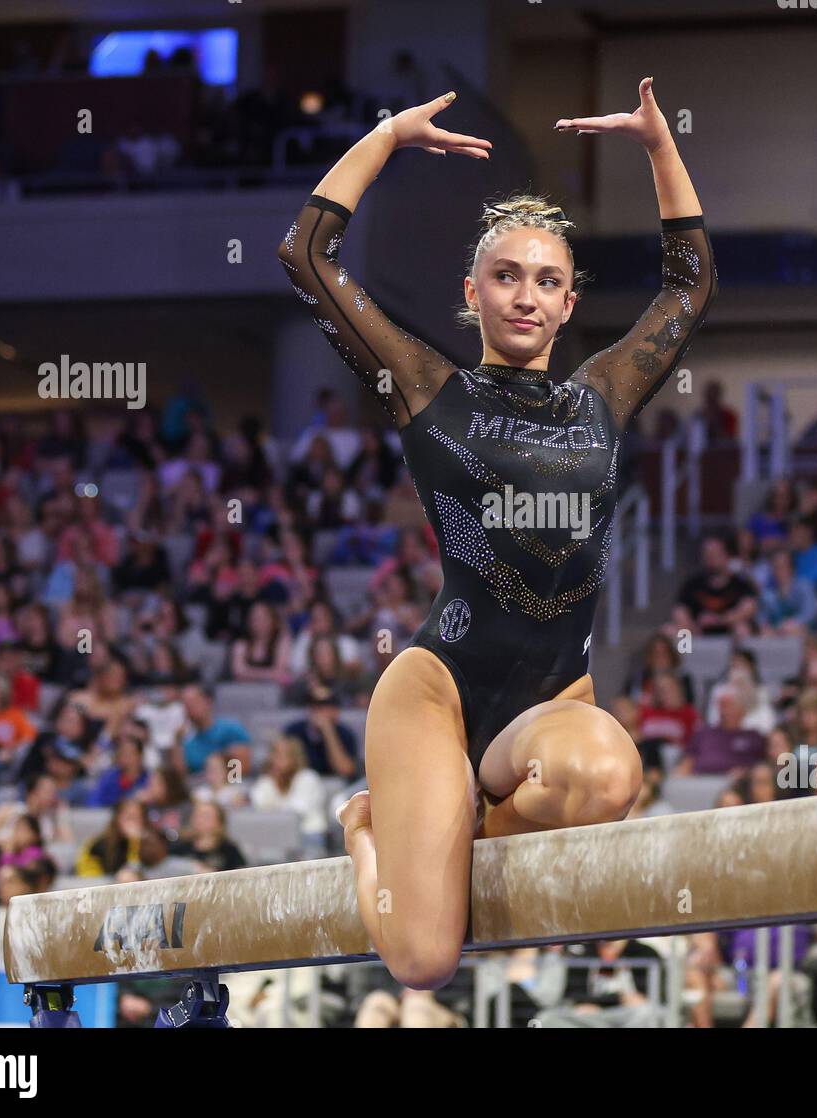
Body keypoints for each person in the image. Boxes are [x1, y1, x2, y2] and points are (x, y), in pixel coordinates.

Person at [278, 79, 716, 990]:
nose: (526, 295)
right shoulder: (425, 385)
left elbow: (691, 282)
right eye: (506, 276)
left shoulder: (605, 394)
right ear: (472, 291)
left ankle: (449, 837)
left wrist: (658, 148)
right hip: (439, 687)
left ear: (567, 303)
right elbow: (307, 255)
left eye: (547, 280)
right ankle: (369, 831)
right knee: (425, 960)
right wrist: (388, 138)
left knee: (605, 781)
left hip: (553, 696)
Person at [671, 536, 758, 638]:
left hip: (729, 631)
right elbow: (680, 610)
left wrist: (719, 620)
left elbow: (748, 608)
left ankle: (738, 654)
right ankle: (685, 653)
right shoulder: (692, 584)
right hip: (696, 632)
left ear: (727, 555)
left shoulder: (741, 584)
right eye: (707, 554)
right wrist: (691, 626)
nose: (710, 558)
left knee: (742, 629)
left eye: (715, 554)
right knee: (672, 631)